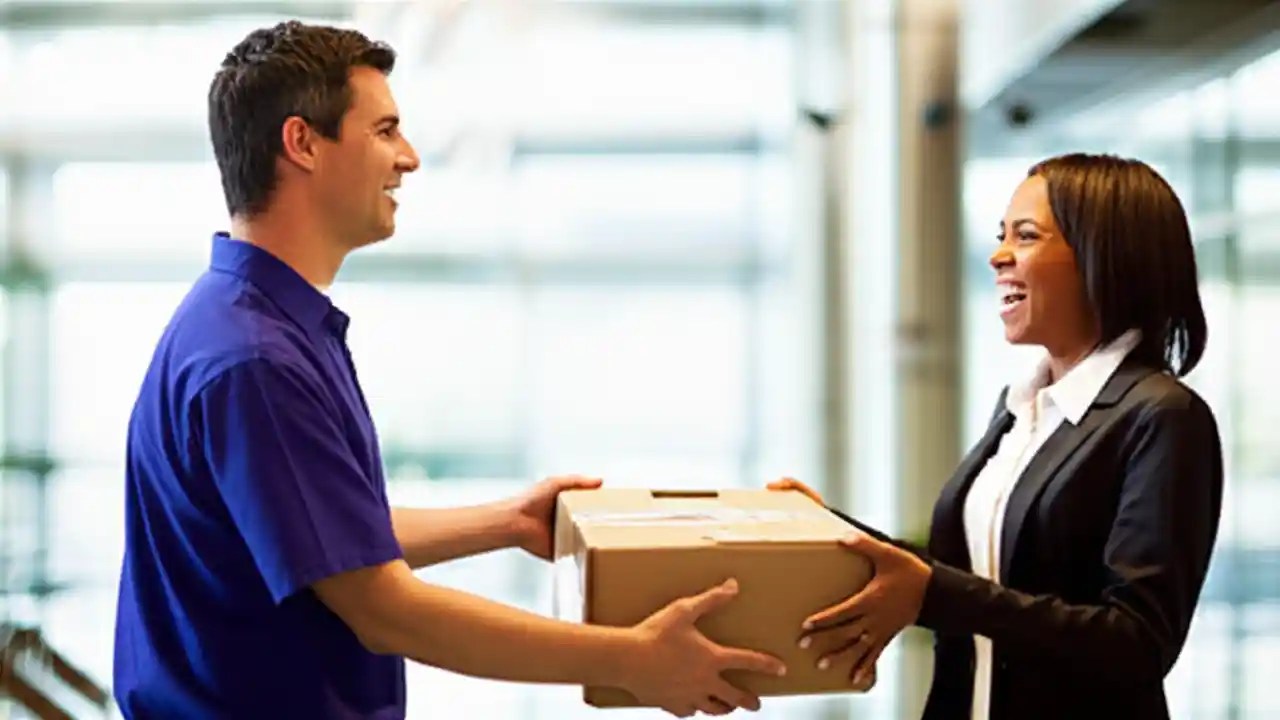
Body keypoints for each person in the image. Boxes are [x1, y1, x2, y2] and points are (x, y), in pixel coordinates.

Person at [112, 20, 785, 720]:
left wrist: (507, 523)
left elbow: (323, 540)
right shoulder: (254, 360)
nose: (409, 159)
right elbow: (385, 610)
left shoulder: (255, 325)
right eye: (384, 131)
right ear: (302, 143)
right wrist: (631, 659)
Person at [771, 153, 1222, 719]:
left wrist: (935, 594)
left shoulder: (1162, 416)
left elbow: (1136, 643)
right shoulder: (1023, 408)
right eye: (1001, 235)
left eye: (1026, 236)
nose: (997, 255)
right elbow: (971, 581)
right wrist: (825, 529)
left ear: (1101, 254)